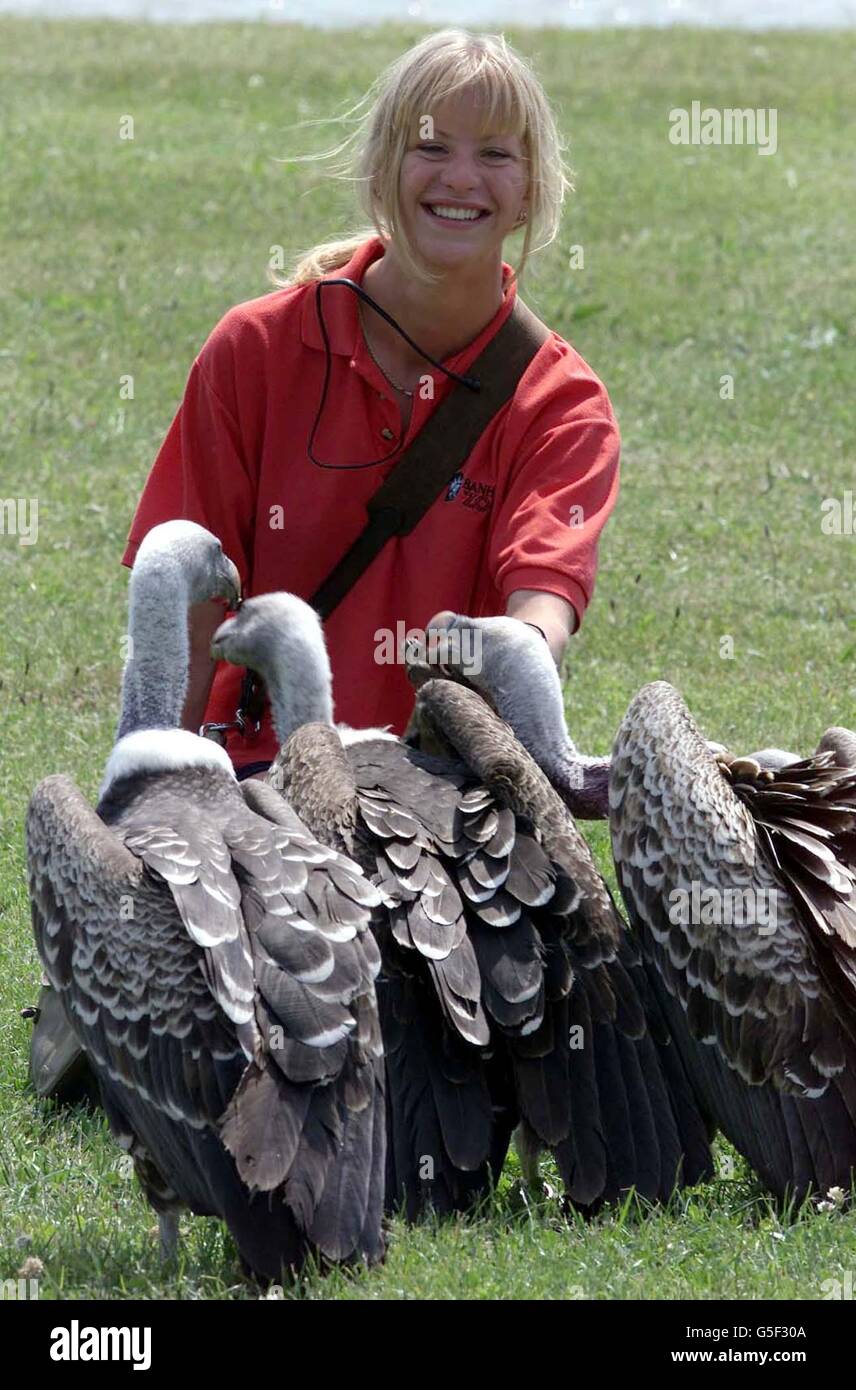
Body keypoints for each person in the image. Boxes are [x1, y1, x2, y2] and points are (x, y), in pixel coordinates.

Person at [121, 27, 621, 780]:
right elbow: (188, 606)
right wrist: (161, 799)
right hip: (268, 778)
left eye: (495, 154)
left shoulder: (562, 403)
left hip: (454, 801)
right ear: (382, 167)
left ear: (531, 191)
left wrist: (521, 678)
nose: (461, 178)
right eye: (431, 147)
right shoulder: (253, 351)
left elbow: (539, 615)